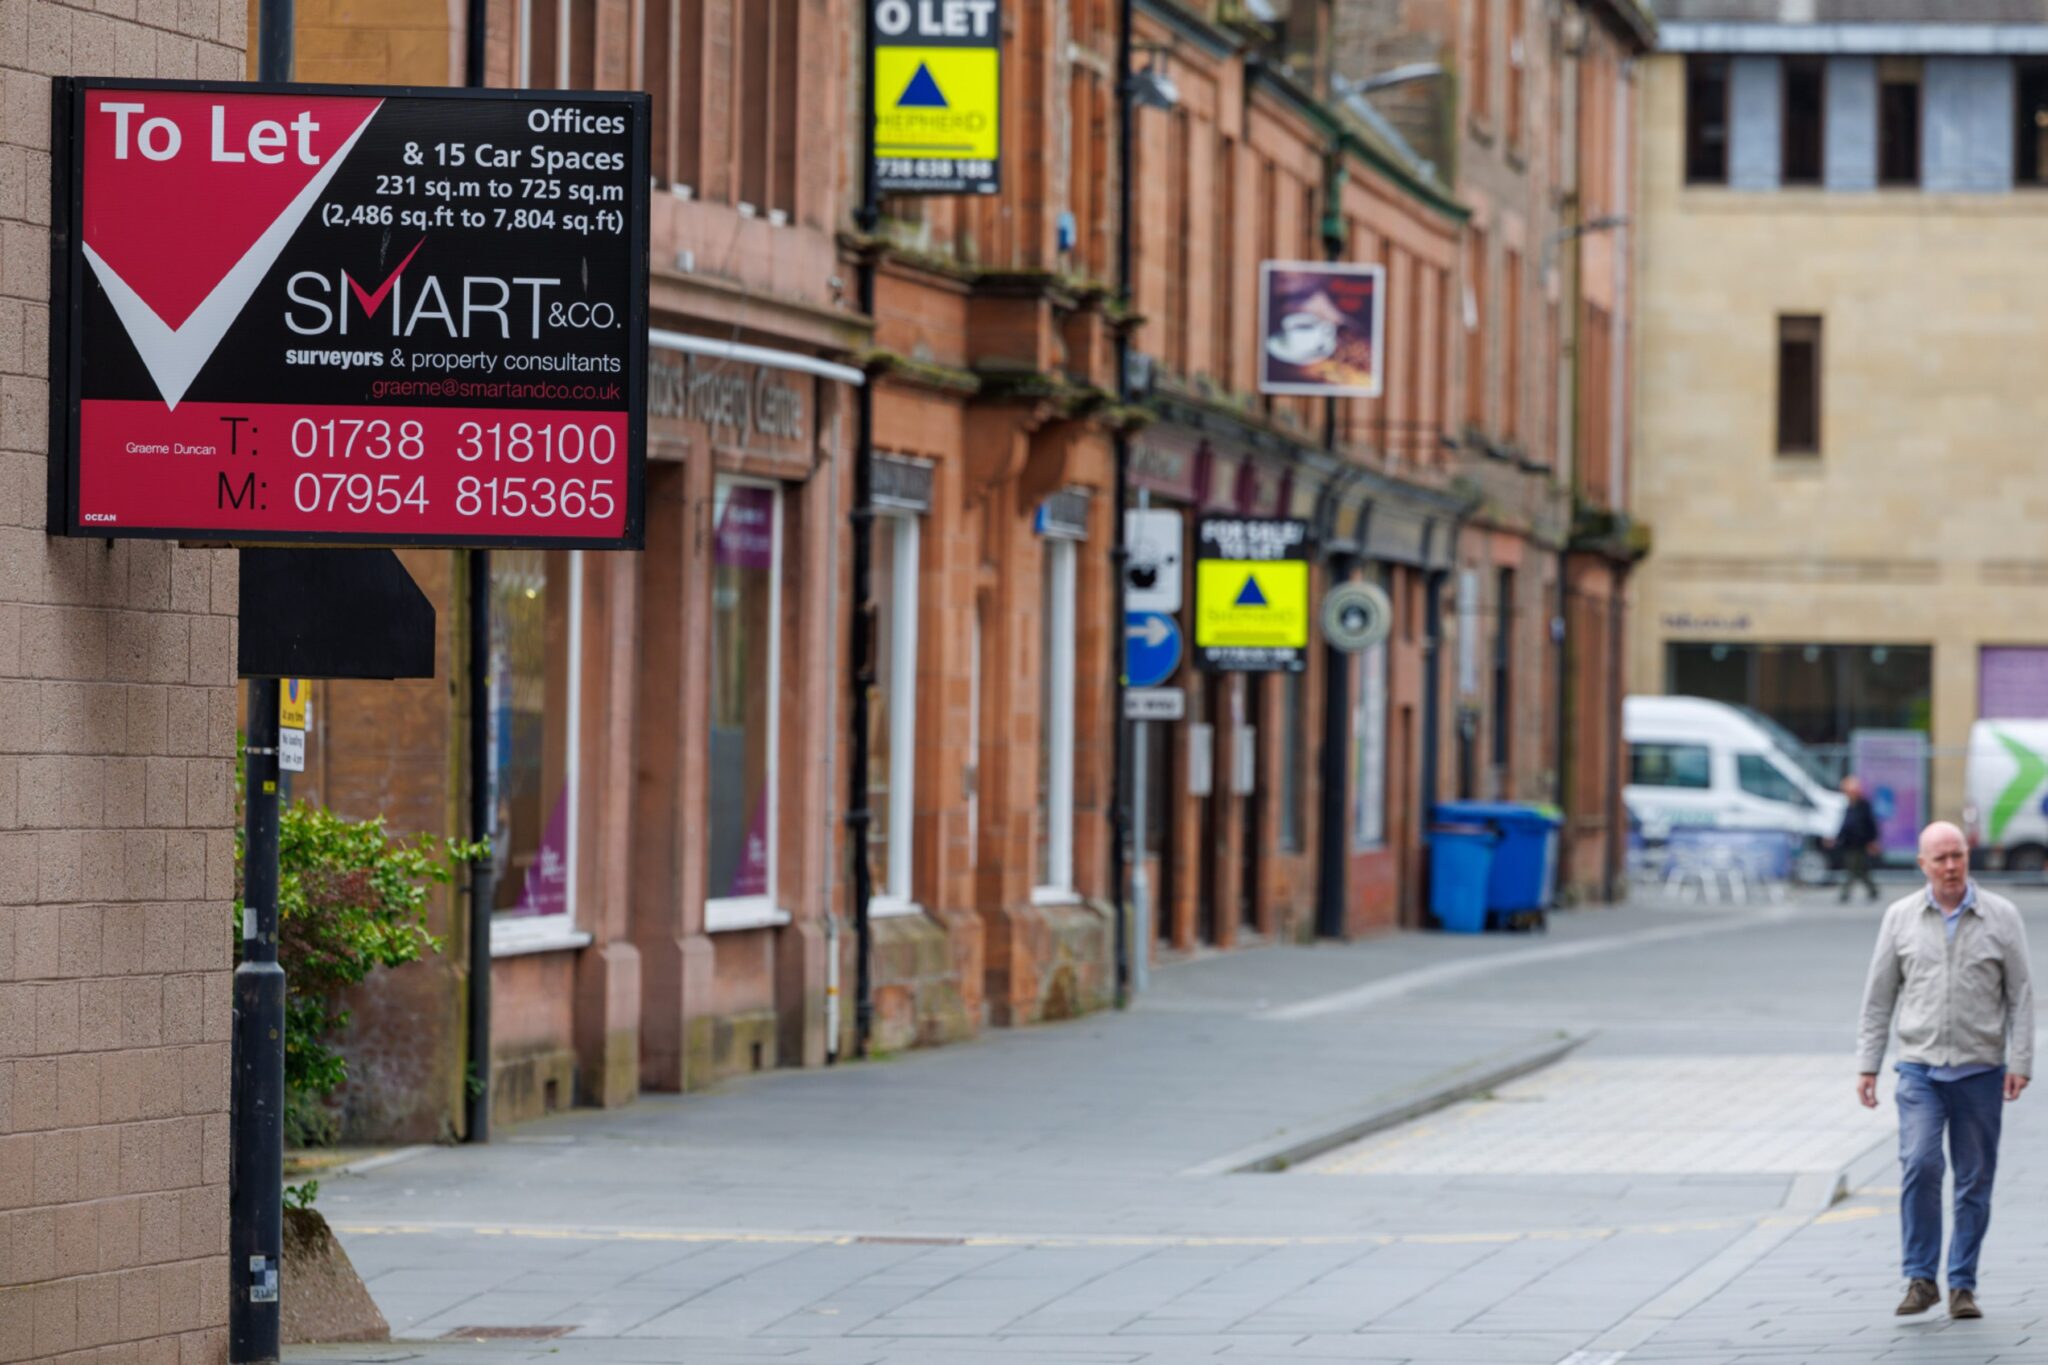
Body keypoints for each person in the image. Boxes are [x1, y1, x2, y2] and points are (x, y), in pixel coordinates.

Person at [1857, 821, 2034, 1320]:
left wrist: (2020, 1061)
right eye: (1940, 859)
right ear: (1922, 865)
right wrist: (1867, 1064)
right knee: (1920, 1164)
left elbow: (2021, 996)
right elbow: (1878, 998)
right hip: (1919, 1069)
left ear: (1968, 855)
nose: (1951, 866)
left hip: (1980, 1070)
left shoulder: (2000, 916)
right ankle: (1919, 1277)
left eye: (1957, 855)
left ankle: (1961, 1285)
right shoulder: (1900, 918)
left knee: (1974, 1180)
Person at [1832, 776, 1882, 903]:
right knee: (1860, 869)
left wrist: (1872, 840)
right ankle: (1872, 890)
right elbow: (1845, 825)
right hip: (1850, 843)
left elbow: (1870, 824)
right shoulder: (1850, 806)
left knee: (1854, 869)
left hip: (1861, 843)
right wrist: (1838, 837)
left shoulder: (1863, 806)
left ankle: (1845, 893)